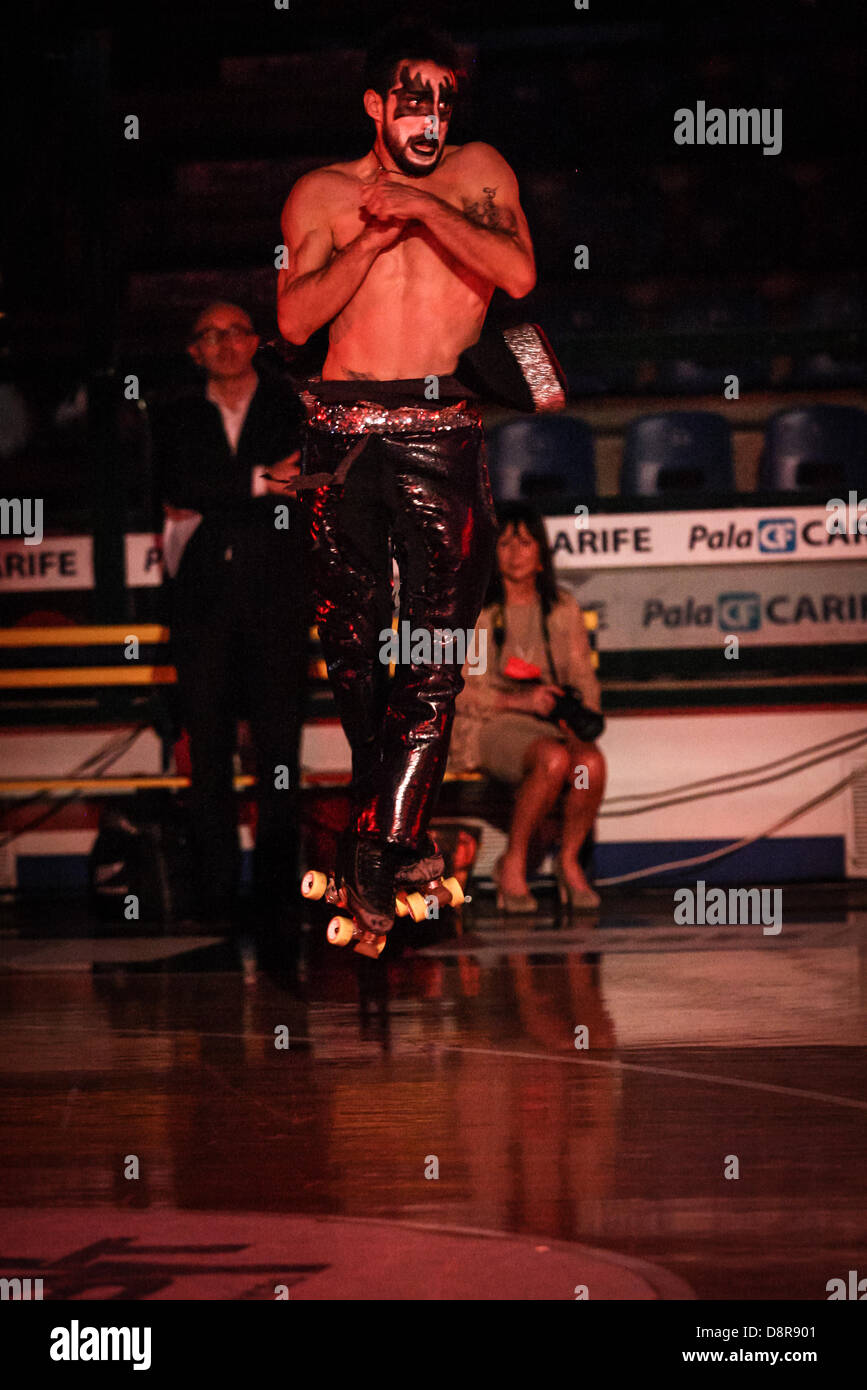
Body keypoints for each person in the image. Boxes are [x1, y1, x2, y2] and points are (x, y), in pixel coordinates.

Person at [277, 20, 537, 936]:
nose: (429, 115)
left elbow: (516, 272)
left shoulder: (477, 174)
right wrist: (370, 239)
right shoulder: (320, 192)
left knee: (432, 654)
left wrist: (424, 211)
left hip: (441, 432)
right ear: (376, 106)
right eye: (412, 97)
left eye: (443, 98)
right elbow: (297, 320)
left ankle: (378, 843)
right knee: (351, 650)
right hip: (341, 430)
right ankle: (387, 832)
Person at [149, 300, 309, 957]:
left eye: (235, 331)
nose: (223, 343)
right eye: (208, 334)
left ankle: (278, 898)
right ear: (193, 350)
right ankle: (212, 897)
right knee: (207, 752)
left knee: (277, 756)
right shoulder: (174, 414)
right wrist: (259, 480)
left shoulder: (290, 404)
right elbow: (177, 484)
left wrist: (236, 490)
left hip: (277, 603)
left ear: (254, 341)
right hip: (202, 607)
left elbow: (310, 480)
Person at [450, 502, 606, 913]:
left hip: (548, 725)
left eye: (524, 542)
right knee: (553, 760)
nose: (515, 552)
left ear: (541, 553)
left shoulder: (562, 608)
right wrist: (518, 700)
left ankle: (568, 861)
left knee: (588, 766)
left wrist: (577, 714)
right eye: (504, 543)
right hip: (489, 724)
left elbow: (584, 680)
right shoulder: (479, 612)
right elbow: (461, 690)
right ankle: (513, 863)